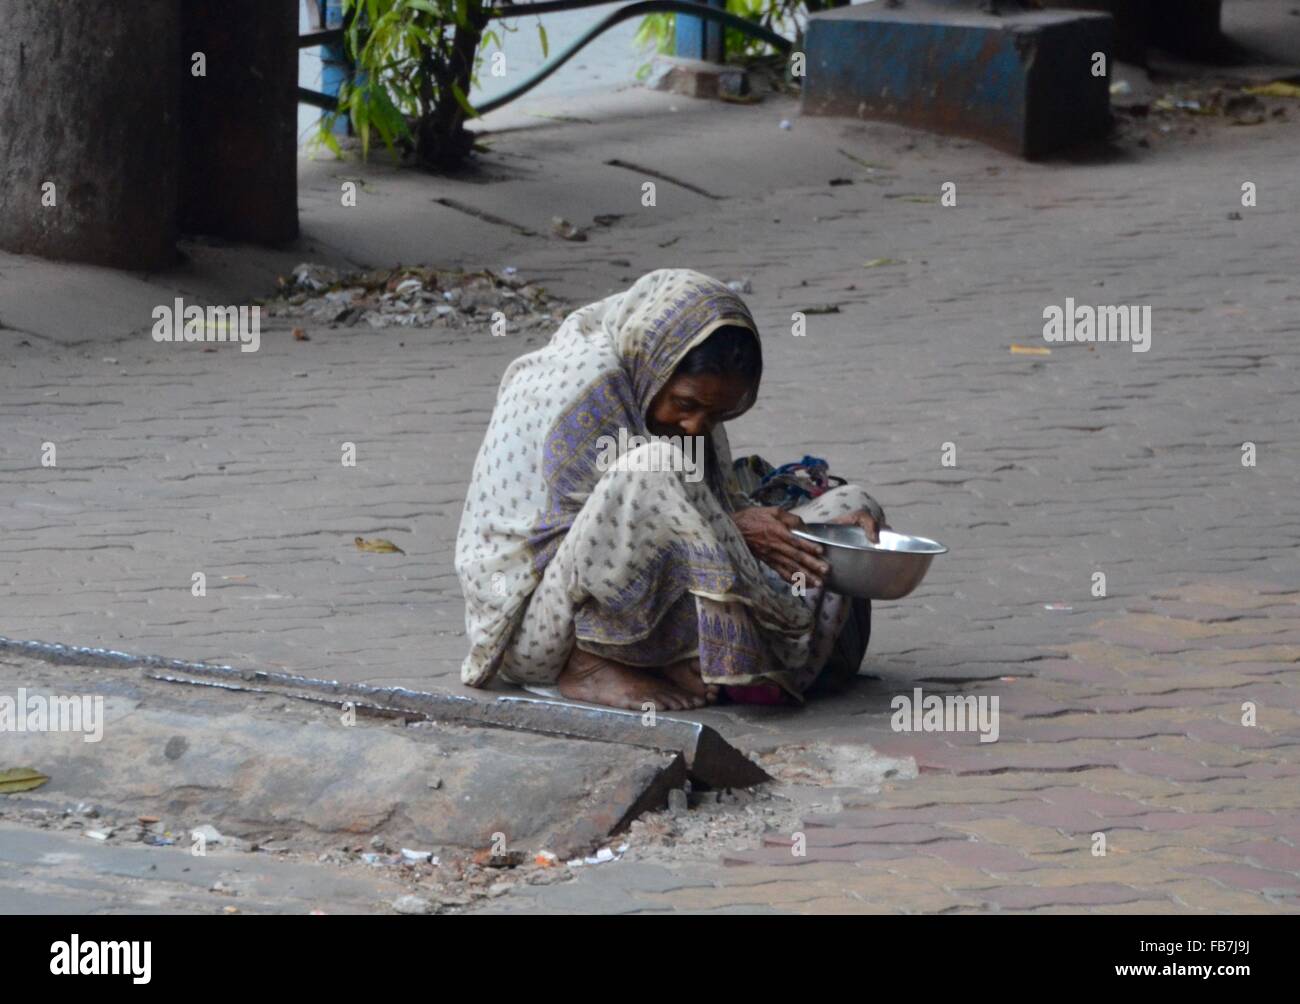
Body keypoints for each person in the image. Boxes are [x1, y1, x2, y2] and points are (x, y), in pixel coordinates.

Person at [455, 269, 886, 710]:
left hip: (644, 598)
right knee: (654, 465)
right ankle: (593, 668)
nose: (696, 426)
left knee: (851, 505)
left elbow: (710, 510)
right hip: (541, 630)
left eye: (717, 414)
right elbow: (613, 535)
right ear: (654, 362)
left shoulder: (675, 403)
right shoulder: (587, 389)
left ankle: (750, 665)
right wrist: (734, 530)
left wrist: (815, 531)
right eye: (685, 405)